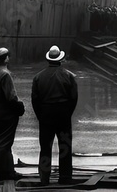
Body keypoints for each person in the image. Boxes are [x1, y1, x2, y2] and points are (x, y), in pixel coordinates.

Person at [31, 45, 78, 186]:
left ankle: (44, 178)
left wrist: (40, 115)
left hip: (45, 115)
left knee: (45, 147)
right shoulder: (69, 76)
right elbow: (74, 98)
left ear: (48, 60)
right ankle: (65, 178)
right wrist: (67, 113)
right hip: (63, 114)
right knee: (65, 146)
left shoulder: (38, 77)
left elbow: (34, 100)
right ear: (61, 59)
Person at [0, 47, 25, 182]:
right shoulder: (5, 74)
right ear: (7, 58)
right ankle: (7, 173)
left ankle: (1, 172)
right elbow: (11, 97)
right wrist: (20, 107)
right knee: (6, 144)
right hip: (5, 116)